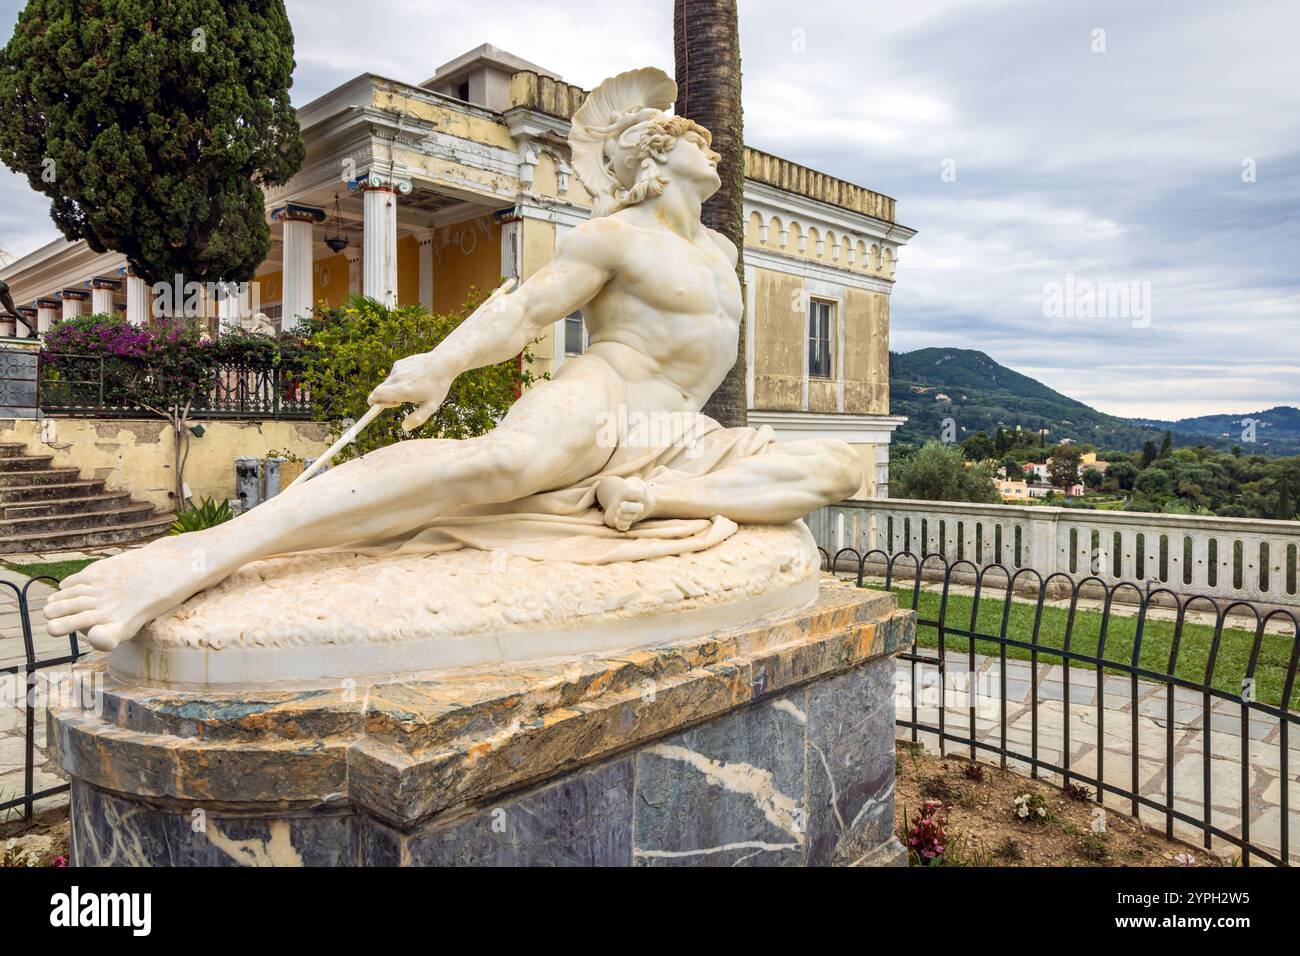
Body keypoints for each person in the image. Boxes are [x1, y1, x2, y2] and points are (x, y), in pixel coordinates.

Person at [45, 67, 861, 651]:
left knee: (839, 468)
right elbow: (525, 311)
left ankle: (652, 499)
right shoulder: (614, 235)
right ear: (655, 157)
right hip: (609, 393)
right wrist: (441, 364)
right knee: (502, 463)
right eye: (696, 139)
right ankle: (203, 552)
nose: (714, 147)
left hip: (679, 434)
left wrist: (668, 479)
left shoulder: (721, 247)